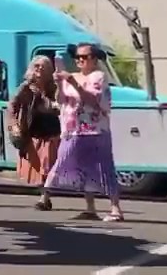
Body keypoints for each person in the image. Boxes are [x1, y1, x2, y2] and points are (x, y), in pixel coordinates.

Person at [45, 44, 125, 222]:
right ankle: (90, 208)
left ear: (94, 59)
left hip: (95, 130)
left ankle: (115, 208)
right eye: (77, 57)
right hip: (72, 129)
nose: (80, 60)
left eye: (85, 57)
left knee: (103, 167)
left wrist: (73, 83)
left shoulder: (98, 77)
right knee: (74, 165)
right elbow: (61, 100)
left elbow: (94, 100)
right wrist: (59, 83)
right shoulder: (72, 76)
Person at [9, 55, 61, 211]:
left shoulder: (54, 87)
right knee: (38, 167)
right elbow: (12, 106)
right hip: (33, 132)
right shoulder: (25, 87)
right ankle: (44, 195)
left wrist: (50, 103)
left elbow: (59, 105)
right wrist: (14, 125)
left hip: (51, 131)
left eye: (43, 66)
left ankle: (45, 198)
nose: (40, 69)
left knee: (47, 166)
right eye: (37, 65)